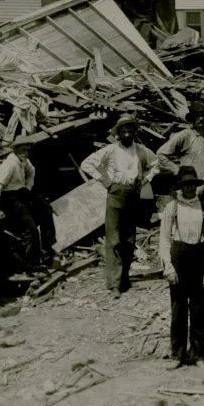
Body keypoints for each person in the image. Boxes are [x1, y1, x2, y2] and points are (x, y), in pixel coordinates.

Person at [81, 114, 160, 297]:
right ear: (118, 132)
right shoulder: (110, 150)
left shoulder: (140, 150)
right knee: (114, 239)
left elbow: (156, 164)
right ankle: (114, 284)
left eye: (130, 129)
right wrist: (105, 181)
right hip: (116, 194)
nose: (127, 132)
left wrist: (146, 179)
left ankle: (124, 279)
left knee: (129, 239)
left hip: (133, 194)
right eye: (123, 129)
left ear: (134, 131)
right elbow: (87, 164)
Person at [159, 166, 204, 369]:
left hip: (198, 259)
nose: (190, 188)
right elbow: (164, 239)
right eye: (186, 185)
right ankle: (177, 354)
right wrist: (168, 267)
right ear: (180, 187)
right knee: (178, 308)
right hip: (178, 259)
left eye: (193, 184)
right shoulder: (172, 208)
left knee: (199, 308)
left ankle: (198, 354)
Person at [0, 135, 57, 270]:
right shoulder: (9, 164)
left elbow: (32, 172)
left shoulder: (24, 161)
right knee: (30, 231)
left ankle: (47, 253)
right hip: (10, 198)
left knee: (46, 211)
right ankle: (32, 266)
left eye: (28, 150)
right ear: (16, 149)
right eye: (23, 150)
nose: (26, 153)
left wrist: (28, 187)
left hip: (22, 193)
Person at [157, 101, 204, 181]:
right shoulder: (186, 134)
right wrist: (178, 171)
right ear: (192, 118)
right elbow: (160, 154)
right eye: (197, 116)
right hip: (192, 184)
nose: (201, 118)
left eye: (203, 115)